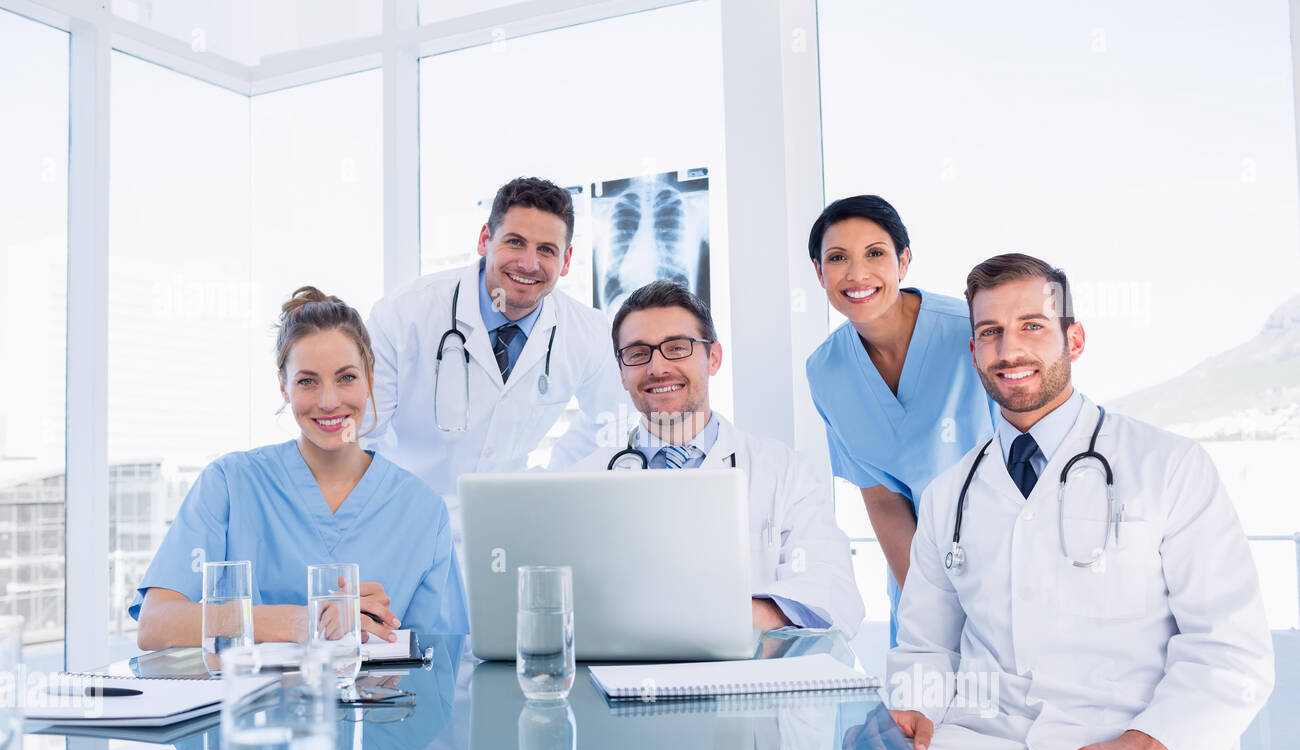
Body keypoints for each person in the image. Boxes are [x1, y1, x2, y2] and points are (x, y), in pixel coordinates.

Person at [886, 253, 1273, 750]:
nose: (1010, 348)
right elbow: (925, 648)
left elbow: (1231, 646)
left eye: (1032, 326)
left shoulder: (1167, 466)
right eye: (991, 332)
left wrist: (1148, 743)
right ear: (974, 350)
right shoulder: (948, 495)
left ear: (1075, 337)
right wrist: (911, 711)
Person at [131, 287, 469, 650]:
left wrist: (382, 632)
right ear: (283, 386)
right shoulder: (230, 485)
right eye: (307, 381)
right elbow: (155, 625)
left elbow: (441, 663)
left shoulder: (422, 511)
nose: (329, 401)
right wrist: (302, 620)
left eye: (346, 377)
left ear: (370, 377)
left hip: (378, 706)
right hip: (251, 705)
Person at [571, 280, 864, 637]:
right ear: (621, 373)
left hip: (748, 682)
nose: (658, 367)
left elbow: (833, 590)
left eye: (677, 348)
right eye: (637, 353)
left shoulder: (782, 472)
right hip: (622, 681)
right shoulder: (583, 481)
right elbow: (558, 605)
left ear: (713, 358)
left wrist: (708, 620)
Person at [364, 176, 624, 539]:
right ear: (485, 240)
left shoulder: (588, 331)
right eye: (515, 242)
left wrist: (551, 481)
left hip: (508, 527)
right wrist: (387, 516)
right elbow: (362, 437)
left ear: (566, 261)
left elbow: (611, 423)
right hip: (404, 525)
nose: (529, 263)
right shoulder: (405, 313)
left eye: (547, 250)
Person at [804, 196, 995, 646]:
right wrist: (930, 613)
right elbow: (885, 502)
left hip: (1011, 571)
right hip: (918, 580)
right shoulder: (826, 371)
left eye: (875, 253)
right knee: (925, 710)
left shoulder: (971, 332)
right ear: (819, 273)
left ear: (903, 261)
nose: (856, 275)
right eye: (837, 258)